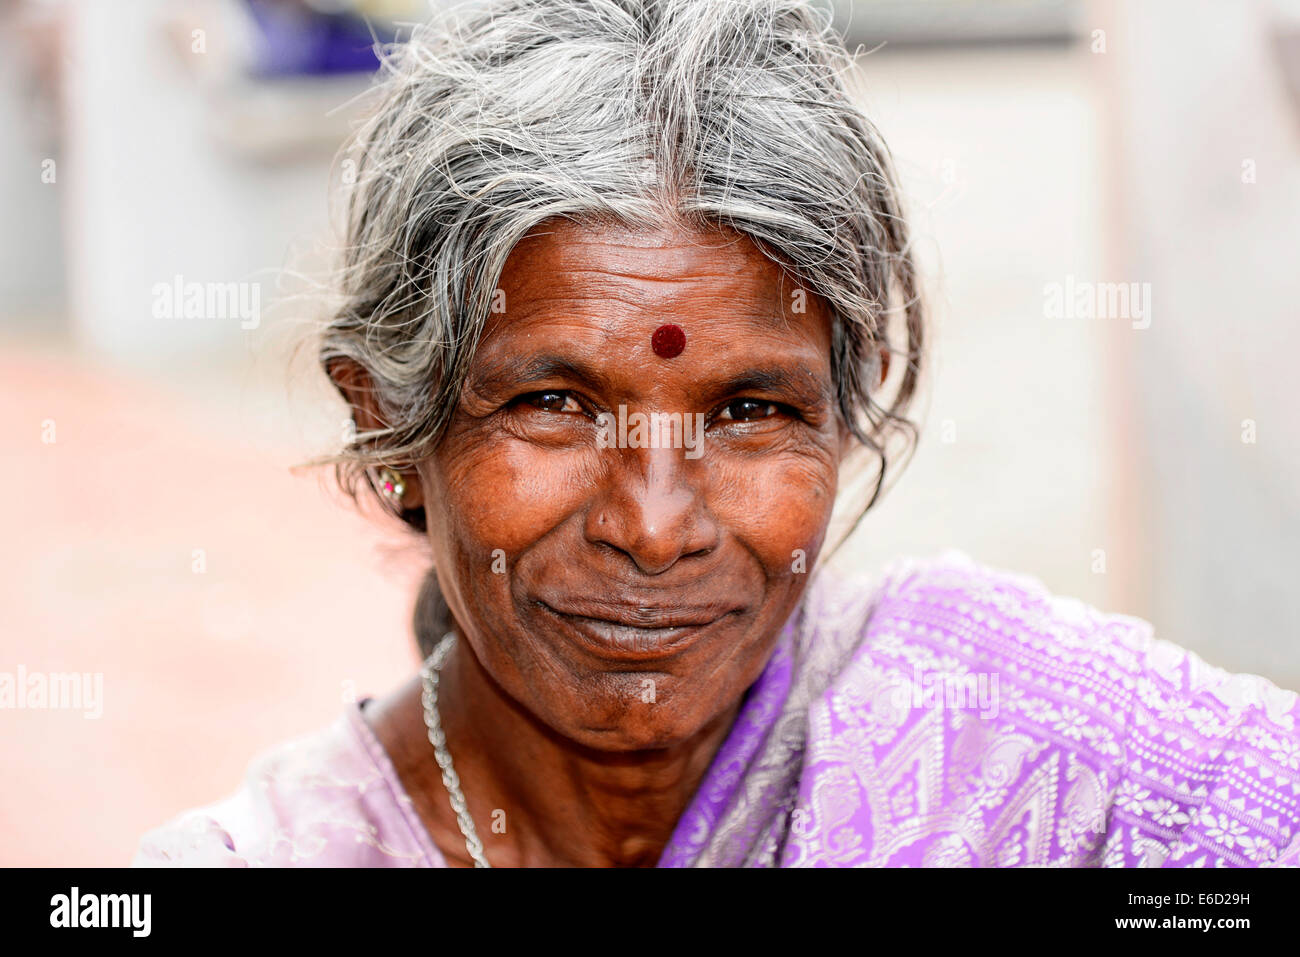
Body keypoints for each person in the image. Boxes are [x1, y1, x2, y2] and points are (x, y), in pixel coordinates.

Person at [134, 0, 1300, 867]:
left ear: (848, 414)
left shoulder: (1013, 737)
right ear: (389, 423)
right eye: (552, 405)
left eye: (751, 413)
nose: (652, 528)